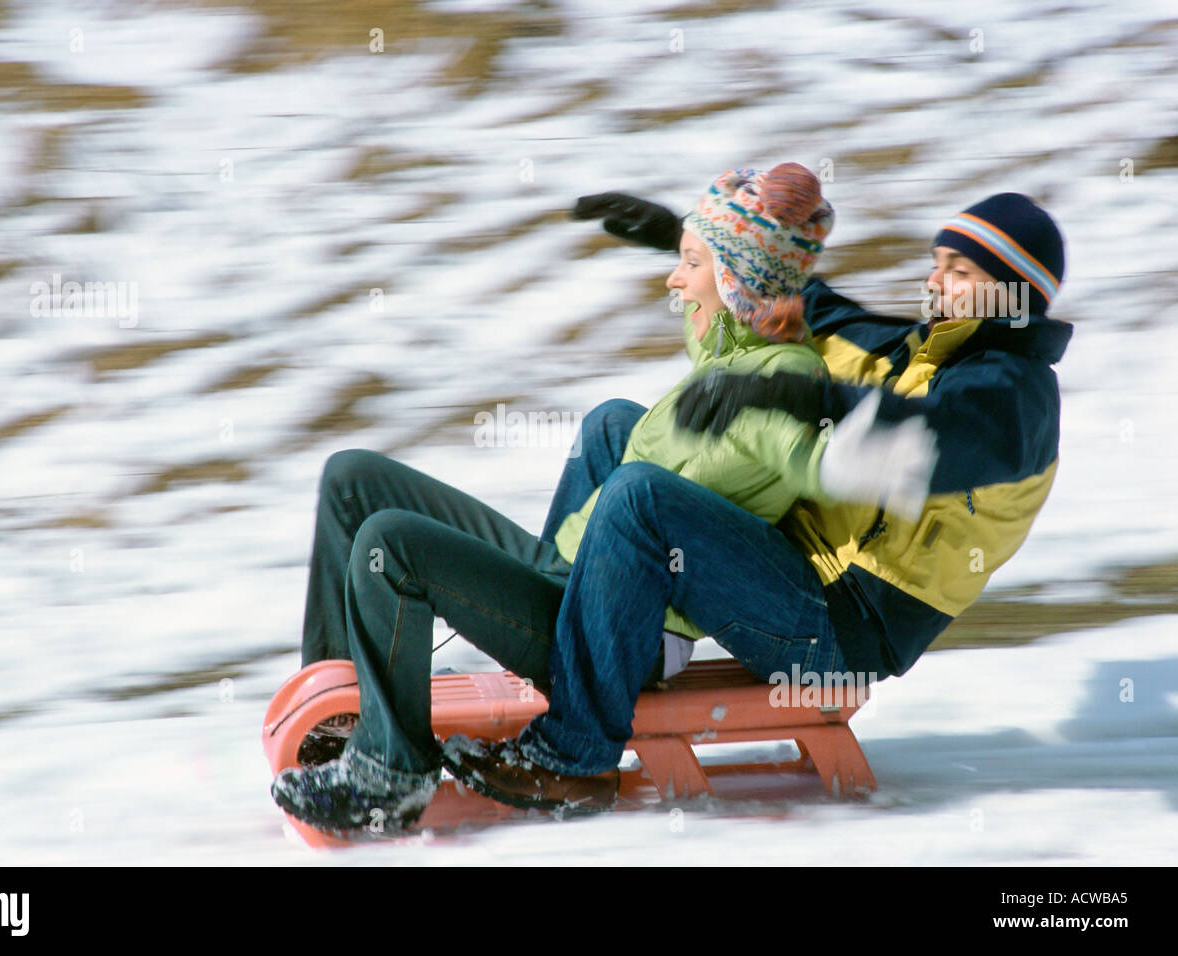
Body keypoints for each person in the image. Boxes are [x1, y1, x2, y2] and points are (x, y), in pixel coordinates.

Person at [444, 191, 1073, 813]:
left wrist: (798, 398)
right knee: (615, 428)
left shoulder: (1015, 403)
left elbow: (927, 437)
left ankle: (570, 761)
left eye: (960, 273)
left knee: (643, 500)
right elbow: (799, 296)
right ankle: (559, 635)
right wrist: (690, 242)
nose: (935, 281)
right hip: (790, 573)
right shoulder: (910, 348)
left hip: (841, 636)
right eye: (938, 262)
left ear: (1012, 292)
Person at [270, 163, 841, 834]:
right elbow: (754, 279)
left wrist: (884, 455)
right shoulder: (729, 352)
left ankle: (390, 776)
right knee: (352, 478)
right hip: (570, 579)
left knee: (389, 546)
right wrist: (686, 240)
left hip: (611, 633)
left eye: (690, 265)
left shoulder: (782, 381)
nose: (672, 279)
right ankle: (342, 724)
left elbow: (810, 456)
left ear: (737, 285)